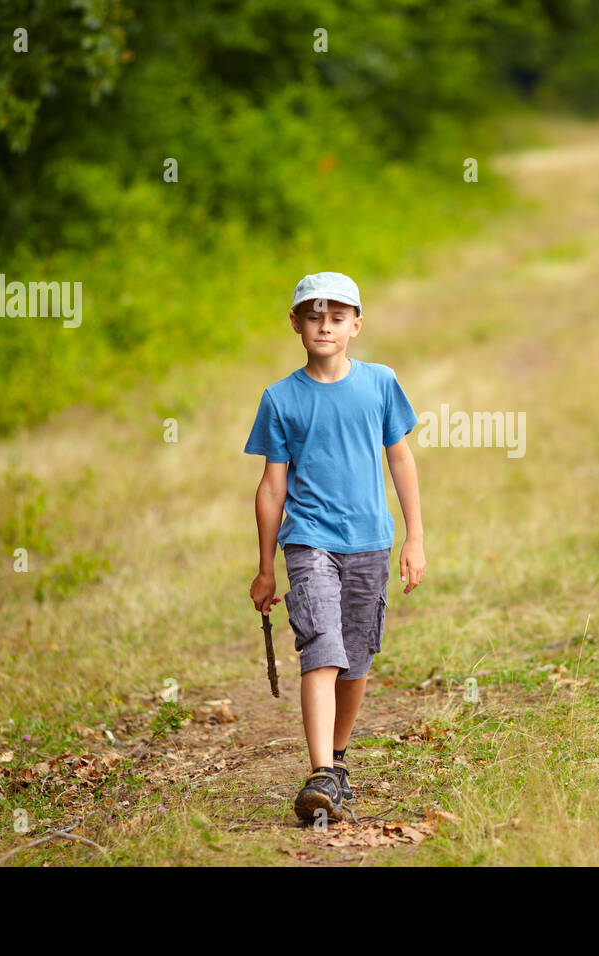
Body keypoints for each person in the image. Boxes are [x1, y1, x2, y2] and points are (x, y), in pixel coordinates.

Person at [246, 271, 426, 823]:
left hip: (369, 539)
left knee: (356, 657)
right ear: (295, 323)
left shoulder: (379, 383)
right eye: (314, 316)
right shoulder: (280, 399)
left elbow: (400, 459)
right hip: (309, 540)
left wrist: (415, 537)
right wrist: (264, 568)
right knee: (321, 645)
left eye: (337, 317)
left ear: (356, 325)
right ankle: (320, 771)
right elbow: (273, 486)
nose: (325, 327)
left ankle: (339, 760)